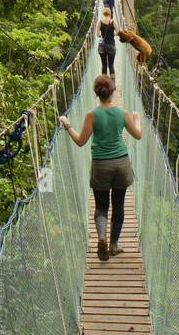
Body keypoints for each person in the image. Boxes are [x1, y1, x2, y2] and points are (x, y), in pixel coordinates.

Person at [59, 74, 143, 261]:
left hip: (100, 165)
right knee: (119, 204)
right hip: (121, 163)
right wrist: (137, 118)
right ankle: (113, 245)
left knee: (102, 207)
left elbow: (81, 141)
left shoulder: (92, 115)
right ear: (112, 91)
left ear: (96, 93)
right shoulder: (123, 113)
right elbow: (138, 135)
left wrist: (67, 125)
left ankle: (102, 237)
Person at [97, 7, 117, 76]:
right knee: (111, 65)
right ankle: (113, 83)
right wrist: (113, 33)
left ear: (103, 13)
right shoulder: (113, 22)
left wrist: (101, 34)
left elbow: (98, 35)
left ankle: (104, 84)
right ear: (110, 13)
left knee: (104, 65)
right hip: (111, 46)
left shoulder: (100, 22)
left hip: (102, 47)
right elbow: (118, 32)